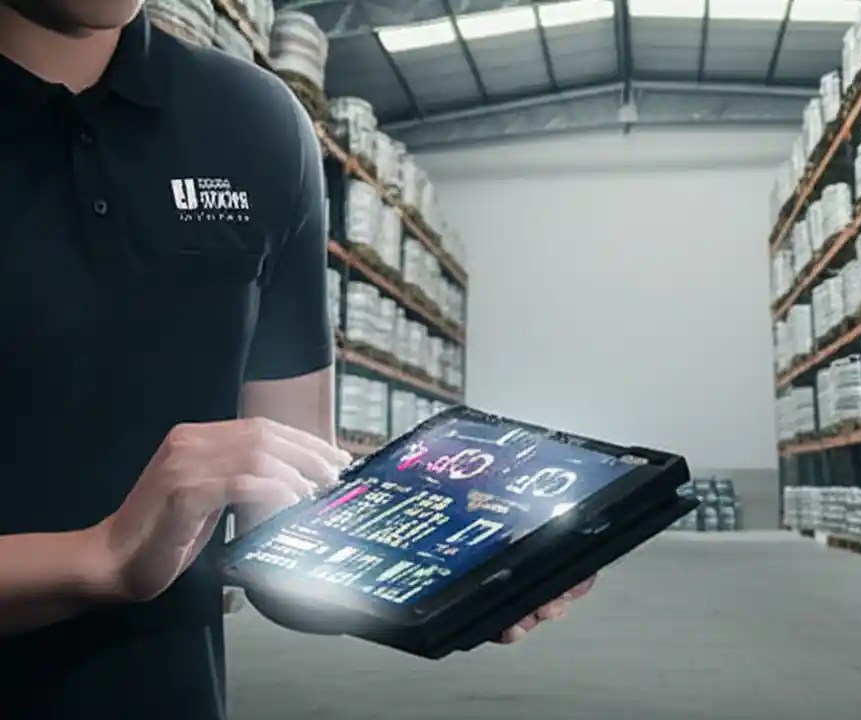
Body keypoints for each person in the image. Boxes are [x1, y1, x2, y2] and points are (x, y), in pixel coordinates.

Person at [0, 1, 591, 717]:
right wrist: (101, 559)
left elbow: (284, 539)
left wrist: (454, 570)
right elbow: (119, 557)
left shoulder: (250, 122)